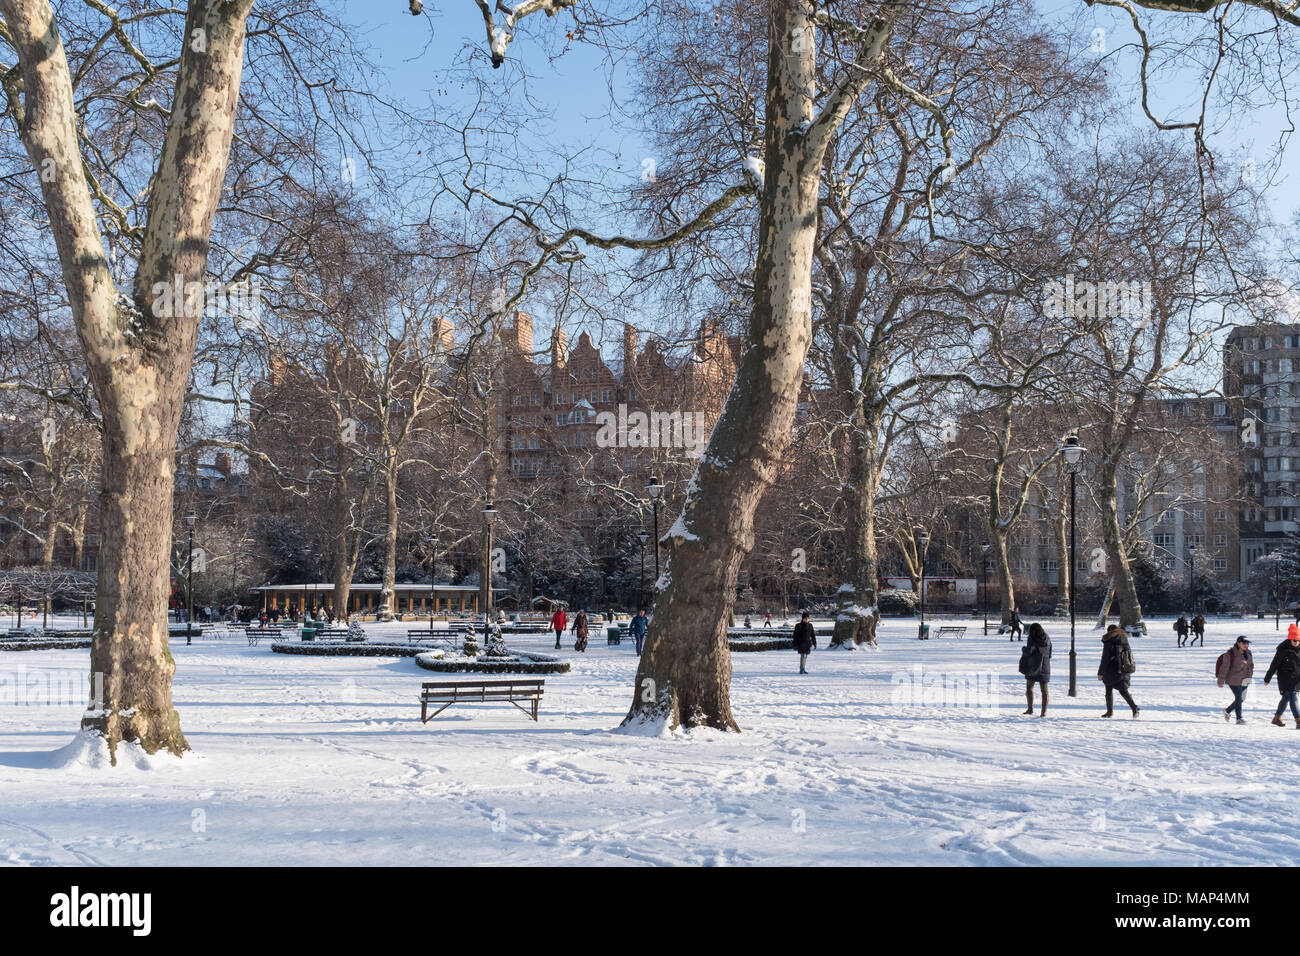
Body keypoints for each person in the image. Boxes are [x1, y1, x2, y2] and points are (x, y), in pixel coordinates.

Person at [1098, 624, 1140, 718]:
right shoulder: (1124, 639)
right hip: (1124, 668)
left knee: (1109, 689)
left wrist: (1100, 672)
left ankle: (1110, 712)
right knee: (1123, 690)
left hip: (1111, 669)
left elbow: (1105, 658)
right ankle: (1134, 707)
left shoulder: (1109, 641)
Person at [1264, 624, 1300, 728]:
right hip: (1285, 678)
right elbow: (1274, 664)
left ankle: (1277, 718)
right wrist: (1268, 678)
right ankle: (1298, 720)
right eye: (1294, 640)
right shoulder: (1283, 650)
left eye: (1298, 640)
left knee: (1286, 698)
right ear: (1289, 639)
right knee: (1293, 698)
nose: (1296, 642)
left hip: (1296, 679)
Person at [1216, 635, 1254, 724]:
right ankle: (1239, 718)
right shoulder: (1230, 654)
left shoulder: (1248, 653)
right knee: (1239, 697)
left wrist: (1249, 671)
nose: (1246, 645)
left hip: (1245, 679)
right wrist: (1220, 681)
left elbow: (1251, 665)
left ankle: (1227, 711)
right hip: (1233, 679)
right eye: (1244, 643)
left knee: (1241, 699)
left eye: (1247, 643)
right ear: (1238, 643)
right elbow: (1224, 668)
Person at [1019, 622, 1052, 716]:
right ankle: (1043, 711)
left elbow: (1029, 651)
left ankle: (1030, 709)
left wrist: (1023, 649)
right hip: (1045, 665)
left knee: (1029, 688)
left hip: (1033, 666)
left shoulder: (1032, 639)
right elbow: (1050, 652)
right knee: (1044, 691)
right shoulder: (1047, 638)